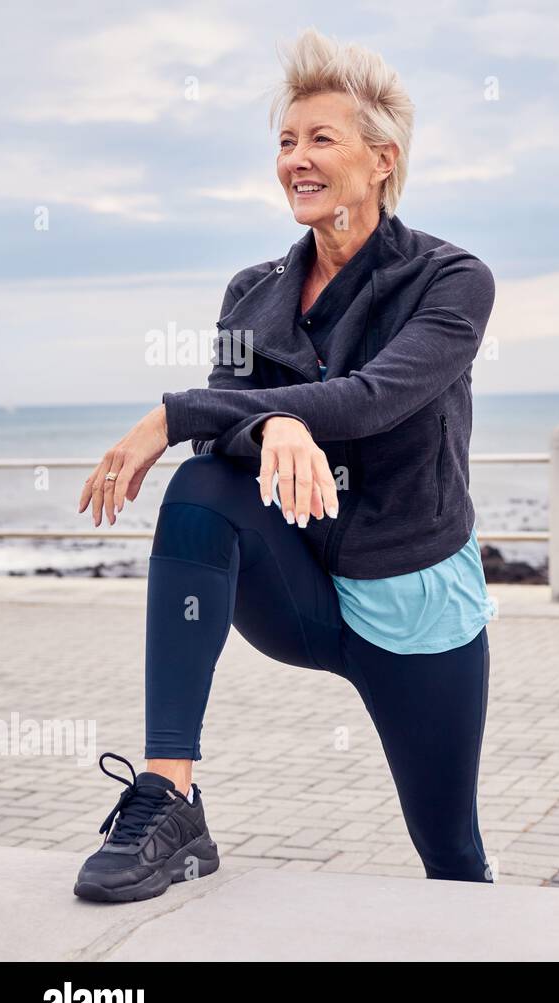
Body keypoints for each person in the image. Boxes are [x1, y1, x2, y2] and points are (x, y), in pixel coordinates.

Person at [72, 27, 497, 903]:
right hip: (300, 589)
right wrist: (265, 427)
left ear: (382, 159)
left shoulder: (451, 281)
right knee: (201, 488)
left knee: (451, 855)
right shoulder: (251, 291)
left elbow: (377, 396)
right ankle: (170, 797)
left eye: (320, 139)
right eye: (286, 141)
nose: (296, 160)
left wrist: (185, 410)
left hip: (416, 606)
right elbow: (223, 434)